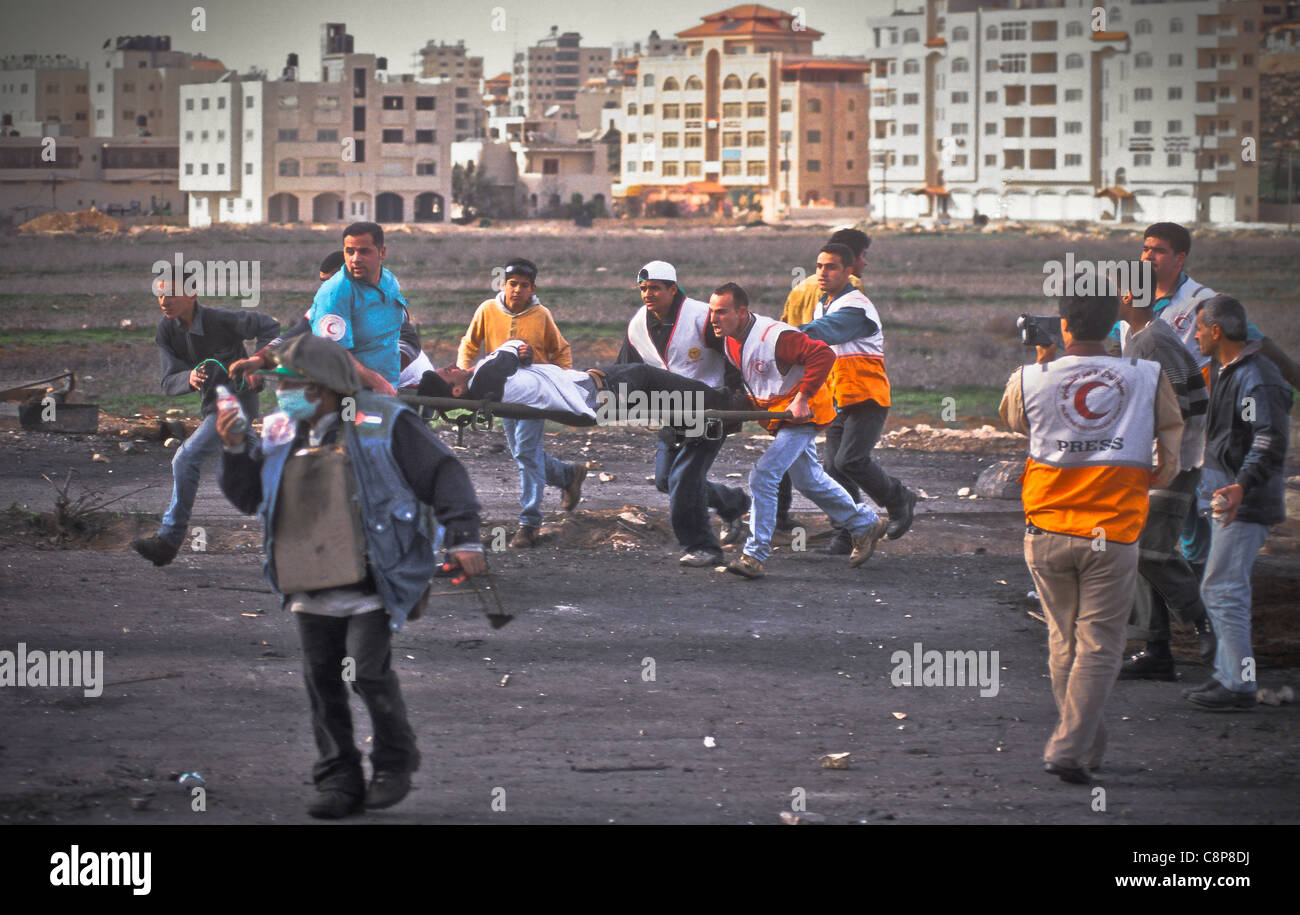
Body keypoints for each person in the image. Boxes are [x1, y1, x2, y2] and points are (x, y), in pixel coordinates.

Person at [215, 334, 485, 818]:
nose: (284, 394)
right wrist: (235, 448)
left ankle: (394, 764)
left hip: (373, 577)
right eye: (282, 385)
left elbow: (444, 473)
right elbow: (250, 498)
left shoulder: (384, 421)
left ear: (328, 388)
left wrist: (463, 536)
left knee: (366, 670)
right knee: (321, 678)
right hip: (308, 579)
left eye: (295, 385)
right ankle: (338, 779)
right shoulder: (280, 429)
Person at [1000, 287, 1183, 785]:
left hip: (1048, 528)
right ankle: (1070, 746)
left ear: (1062, 327)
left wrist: (1043, 363)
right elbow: (1171, 440)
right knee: (1100, 643)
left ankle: (1083, 744)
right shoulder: (1145, 375)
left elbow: (1017, 422)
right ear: (1113, 326)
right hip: (1115, 530)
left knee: (1063, 640)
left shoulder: (1030, 378)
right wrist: (1155, 477)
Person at [708, 283, 886, 579]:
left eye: (721, 312)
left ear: (741, 312)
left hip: (805, 413)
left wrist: (802, 399)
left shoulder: (775, 337)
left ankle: (754, 555)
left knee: (763, 475)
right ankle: (864, 523)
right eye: (712, 311)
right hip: (783, 416)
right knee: (808, 479)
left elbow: (823, 356)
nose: (714, 318)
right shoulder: (730, 340)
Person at [1184, 296, 1291, 711]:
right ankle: (1229, 676)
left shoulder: (1257, 377)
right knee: (1228, 588)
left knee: (1222, 588)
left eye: (1199, 328)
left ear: (1216, 330)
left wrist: (1241, 487)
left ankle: (1238, 683)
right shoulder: (1230, 371)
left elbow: (1269, 440)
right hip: (1229, 496)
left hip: (1243, 501)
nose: (1194, 334)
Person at [130, 285, 280, 567]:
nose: (165, 301)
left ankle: (169, 539)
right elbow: (168, 380)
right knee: (265, 474)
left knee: (185, 459)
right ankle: (295, 535)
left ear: (192, 294)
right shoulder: (167, 331)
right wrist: (188, 378)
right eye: (160, 295)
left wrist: (256, 364)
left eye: (172, 293)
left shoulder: (220, 319)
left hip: (237, 404)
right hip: (213, 404)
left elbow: (269, 326)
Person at [617, 260, 750, 567]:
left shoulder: (702, 317)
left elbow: (734, 354)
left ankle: (703, 546)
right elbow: (625, 366)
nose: (648, 295)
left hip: (710, 410)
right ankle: (734, 503)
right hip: (672, 412)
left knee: (684, 479)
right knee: (665, 480)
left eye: (655, 289)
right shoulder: (639, 324)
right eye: (643, 289)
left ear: (672, 289)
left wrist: (735, 400)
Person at [1115, 280, 1215, 679]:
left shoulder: (1152, 341)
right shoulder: (1141, 335)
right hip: (1157, 459)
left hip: (1173, 461)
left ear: (1127, 298)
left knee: (1151, 550)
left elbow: (1184, 406)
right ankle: (1158, 651)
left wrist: (1157, 451)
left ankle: (1206, 623)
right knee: (1140, 550)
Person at [800, 242, 917, 551]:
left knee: (850, 460)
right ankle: (850, 529)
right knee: (833, 468)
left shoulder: (855, 306)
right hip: (838, 397)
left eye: (831, 267)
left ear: (848, 271)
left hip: (866, 396)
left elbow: (825, 331)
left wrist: (780, 335)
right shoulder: (824, 303)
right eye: (819, 266)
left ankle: (899, 498)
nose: (822, 272)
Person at [457, 258, 581, 547]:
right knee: (523, 453)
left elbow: (560, 350)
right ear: (504, 284)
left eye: (524, 285)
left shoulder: (541, 315)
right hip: (501, 395)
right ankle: (569, 474)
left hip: (533, 395)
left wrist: (562, 383)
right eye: (512, 284)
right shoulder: (488, 310)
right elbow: (470, 342)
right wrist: (466, 373)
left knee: (525, 452)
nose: (517, 290)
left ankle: (529, 523)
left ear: (532, 288)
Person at [230, 224, 406, 395]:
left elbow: (401, 339)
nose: (355, 259)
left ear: (382, 252)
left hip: (391, 385)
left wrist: (387, 383)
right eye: (350, 251)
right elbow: (307, 338)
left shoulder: (389, 281)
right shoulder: (333, 294)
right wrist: (260, 359)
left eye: (364, 251)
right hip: (353, 390)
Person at [775, 227, 870, 531]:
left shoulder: (801, 286)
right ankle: (851, 525)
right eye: (864, 256)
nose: (866, 262)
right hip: (830, 378)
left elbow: (784, 327)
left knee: (788, 448)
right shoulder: (851, 286)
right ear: (851, 259)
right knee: (836, 460)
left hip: (795, 376)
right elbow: (846, 333)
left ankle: (778, 517)